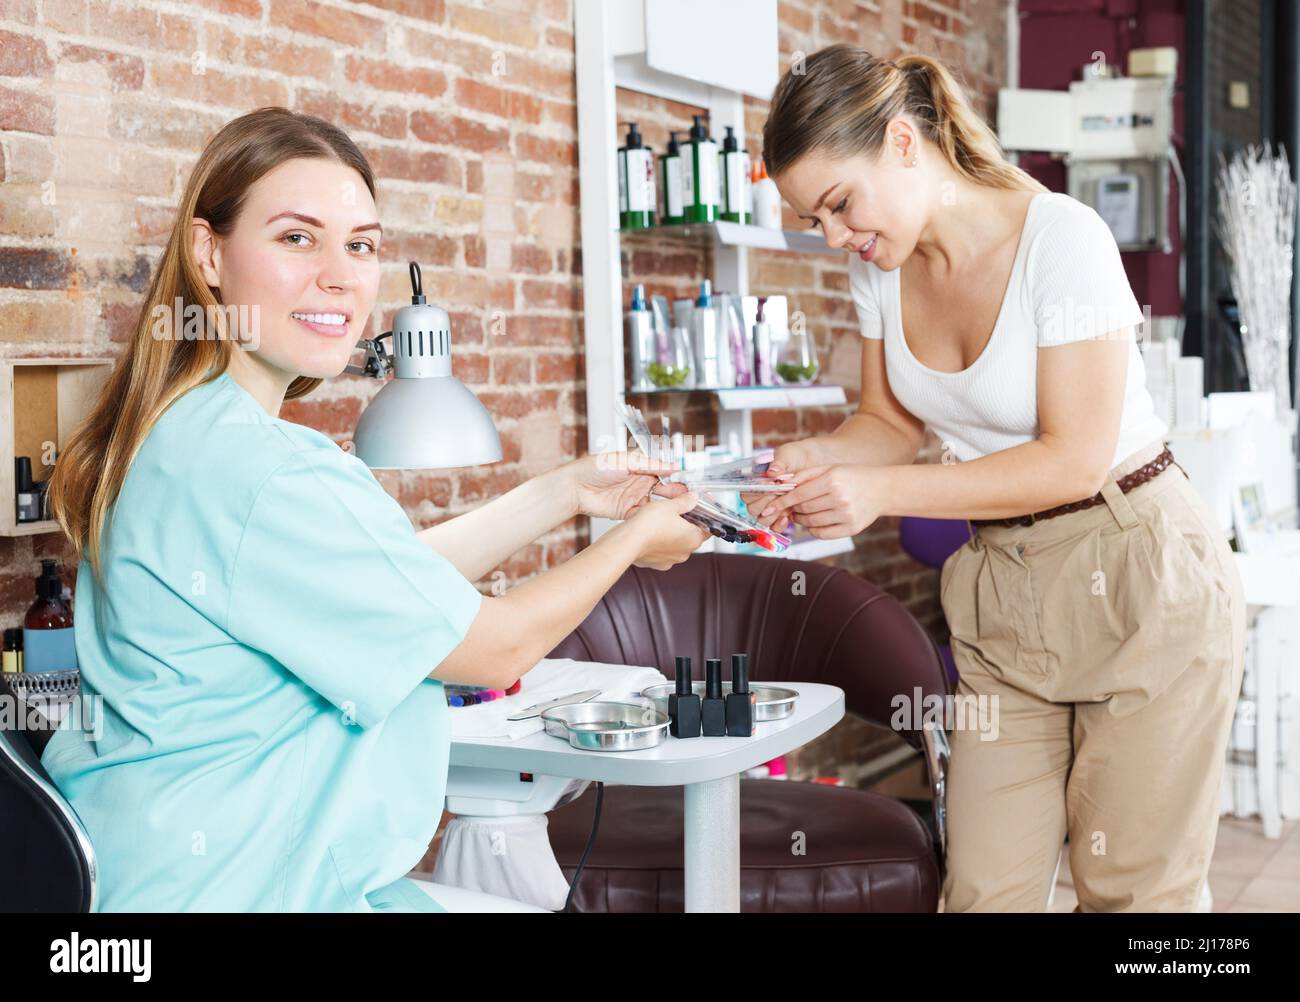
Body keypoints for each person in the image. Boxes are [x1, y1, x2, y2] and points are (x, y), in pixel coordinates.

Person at [42, 107, 708, 913]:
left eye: (360, 244)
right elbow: (493, 652)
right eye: (296, 238)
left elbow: (384, 581)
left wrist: (564, 492)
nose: (341, 275)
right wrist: (631, 540)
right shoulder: (265, 469)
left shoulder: (179, 432)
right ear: (208, 251)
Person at [746, 44, 1246, 912]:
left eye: (837, 206)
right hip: (1004, 600)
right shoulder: (884, 268)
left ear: (903, 142)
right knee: (983, 891)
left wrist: (879, 492)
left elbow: (1071, 458)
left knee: (1136, 895)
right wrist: (819, 459)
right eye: (815, 221)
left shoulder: (1062, 240)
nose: (834, 237)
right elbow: (891, 425)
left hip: (1138, 573)